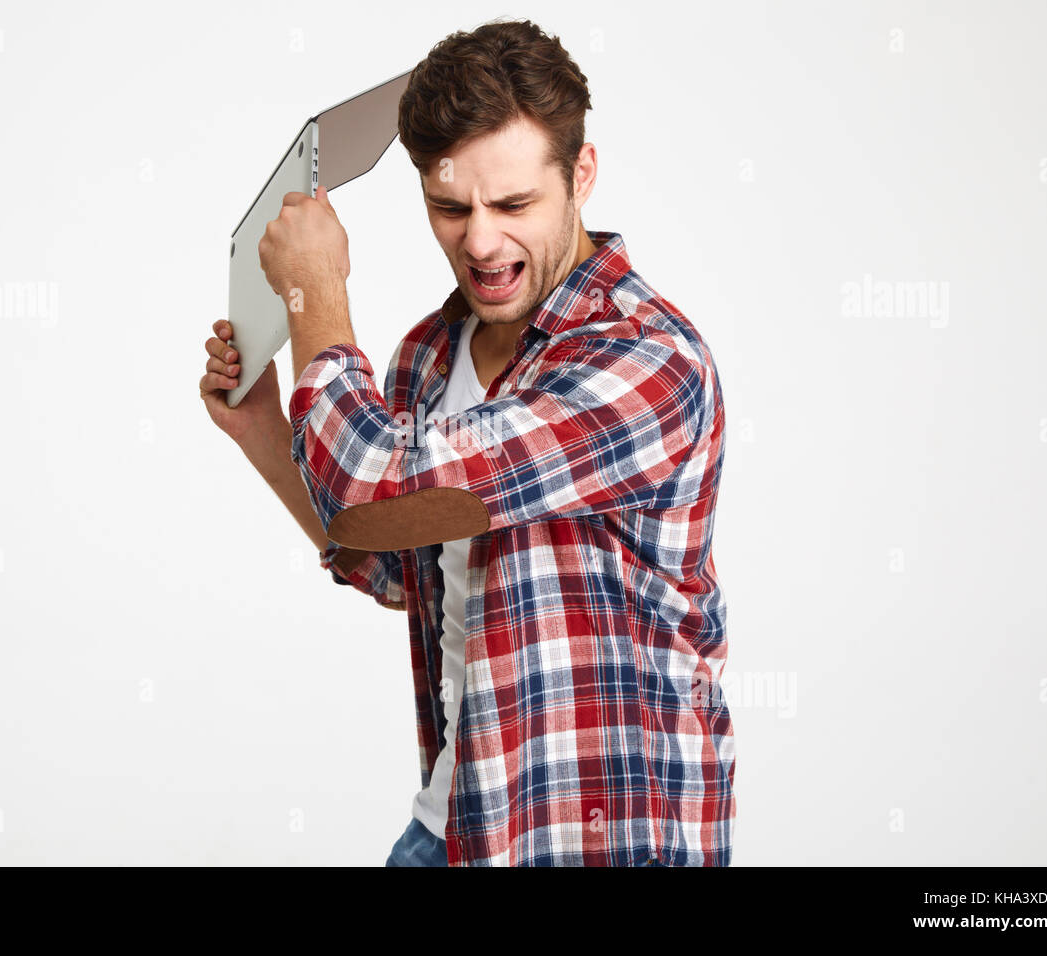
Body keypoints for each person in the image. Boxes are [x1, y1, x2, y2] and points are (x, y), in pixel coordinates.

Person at [199, 18, 734, 866]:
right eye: (451, 207)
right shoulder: (427, 355)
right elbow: (385, 551)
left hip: (600, 840)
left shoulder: (645, 363)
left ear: (581, 176)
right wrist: (263, 424)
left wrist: (313, 293)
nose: (481, 242)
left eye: (515, 204)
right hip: (457, 824)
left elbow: (377, 485)